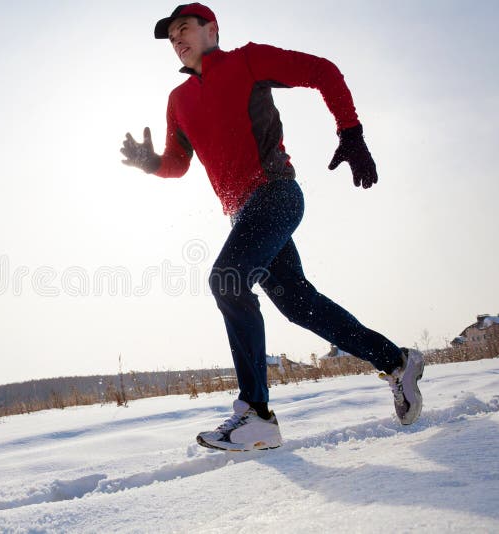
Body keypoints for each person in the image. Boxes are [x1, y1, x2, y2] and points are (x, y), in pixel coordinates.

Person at [120, 3, 424, 452]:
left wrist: (351, 132)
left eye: (184, 28)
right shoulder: (178, 101)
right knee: (299, 304)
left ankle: (256, 414)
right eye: (171, 37)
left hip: (276, 194)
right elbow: (177, 164)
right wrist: (151, 165)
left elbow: (324, 71)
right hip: (246, 215)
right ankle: (396, 362)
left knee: (228, 280)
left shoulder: (247, 60)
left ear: (212, 30)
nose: (177, 39)